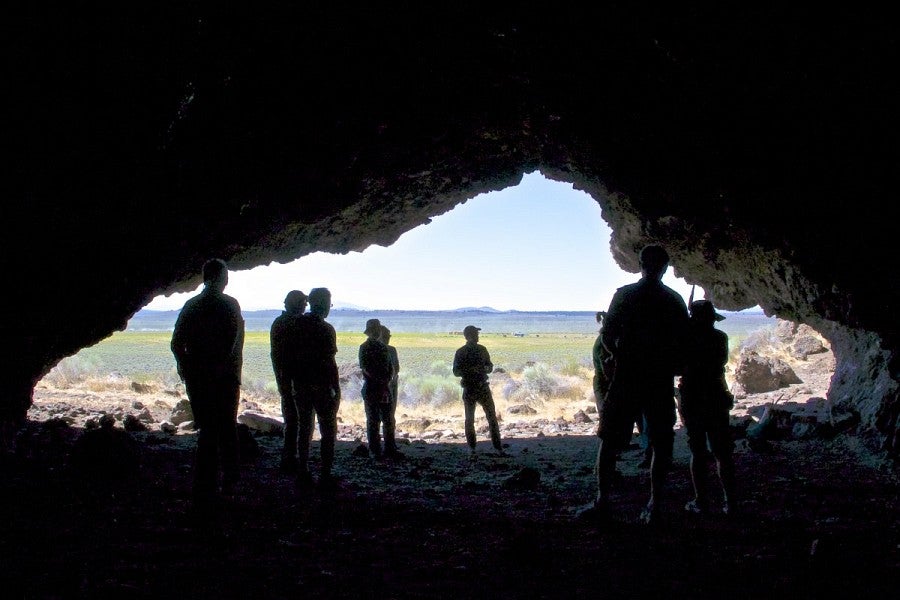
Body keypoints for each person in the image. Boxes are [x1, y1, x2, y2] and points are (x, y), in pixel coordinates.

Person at [589, 244, 689, 525]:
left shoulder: (625, 295)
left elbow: (608, 334)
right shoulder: (673, 300)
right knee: (661, 442)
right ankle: (655, 505)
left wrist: (617, 357)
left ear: (640, 264)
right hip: (658, 378)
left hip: (627, 376)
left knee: (609, 441)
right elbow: (683, 343)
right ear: (665, 267)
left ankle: (603, 501)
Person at [170, 258, 245, 511]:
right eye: (226, 276)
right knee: (226, 430)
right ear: (222, 278)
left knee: (208, 432)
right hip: (224, 379)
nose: (227, 280)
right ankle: (229, 483)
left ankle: (204, 487)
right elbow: (233, 343)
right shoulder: (230, 304)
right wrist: (224, 369)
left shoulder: (192, 305)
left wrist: (187, 369)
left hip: (199, 379)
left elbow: (176, 344)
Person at [678, 299, 736, 516]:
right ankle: (731, 502)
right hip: (716, 394)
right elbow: (718, 366)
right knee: (722, 451)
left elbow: (677, 365)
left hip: (692, 396)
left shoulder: (685, 339)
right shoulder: (720, 338)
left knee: (698, 451)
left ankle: (701, 501)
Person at [294, 287, 341, 487]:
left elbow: (288, 358)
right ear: (323, 304)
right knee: (327, 430)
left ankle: (303, 470)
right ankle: (325, 473)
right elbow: (329, 361)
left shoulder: (296, 325)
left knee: (304, 428)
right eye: (329, 304)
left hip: (301, 384)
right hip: (321, 385)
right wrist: (336, 388)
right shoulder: (326, 329)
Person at [270, 289, 307, 474]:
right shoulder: (293, 324)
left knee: (292, 420)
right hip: (295, 379)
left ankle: (291, 456)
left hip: (285, 378)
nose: (305, 306)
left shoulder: (279, 323)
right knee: (297, 421)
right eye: (303, 303)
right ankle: (293, 458)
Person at [453, 325, 505, 457]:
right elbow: (456, 371)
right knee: (485, 418)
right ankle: (491, 449)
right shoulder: (472, 351)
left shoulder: (467, 351)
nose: (478, 336)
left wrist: (484, 369)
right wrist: (475, 370)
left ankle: (477, 449)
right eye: (476, 334)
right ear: (470, 336)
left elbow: (489, 366)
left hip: (475, 387)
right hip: (476, 387)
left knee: (477, 419)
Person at [358, 319, 399, 459]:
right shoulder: (366, 347)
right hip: (375, 387)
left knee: (386, 419)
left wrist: (386, 380)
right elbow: (365, 368)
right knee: (375, 420)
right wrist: (384, 381)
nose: (376, 332)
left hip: (379, 387)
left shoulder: (379, 347)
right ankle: (376, 450)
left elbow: (391, 368)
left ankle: (388, 448)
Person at [381, 324, 401, 453]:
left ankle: (390, 444)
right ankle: (385, 445)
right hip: (383, 386)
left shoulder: (392, 350)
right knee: (379, 417)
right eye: (386, 336)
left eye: (389, 336)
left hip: (391, 386)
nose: (388, 338)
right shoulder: (379, 350)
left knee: (390, 416)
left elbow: (397, 367)